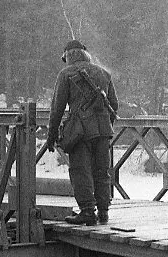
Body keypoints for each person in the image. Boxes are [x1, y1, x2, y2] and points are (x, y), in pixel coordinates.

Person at [46, 40, 118, 225]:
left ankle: (87, 211)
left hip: (79, 131)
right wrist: (104, 125)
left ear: (67, 56)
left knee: (80, 170)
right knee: (102, 171)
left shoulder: (66, 74)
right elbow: (114, 105)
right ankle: (103, 212)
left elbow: (57, 109)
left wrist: (51, 136)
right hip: (103, 131)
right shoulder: (104, 73)